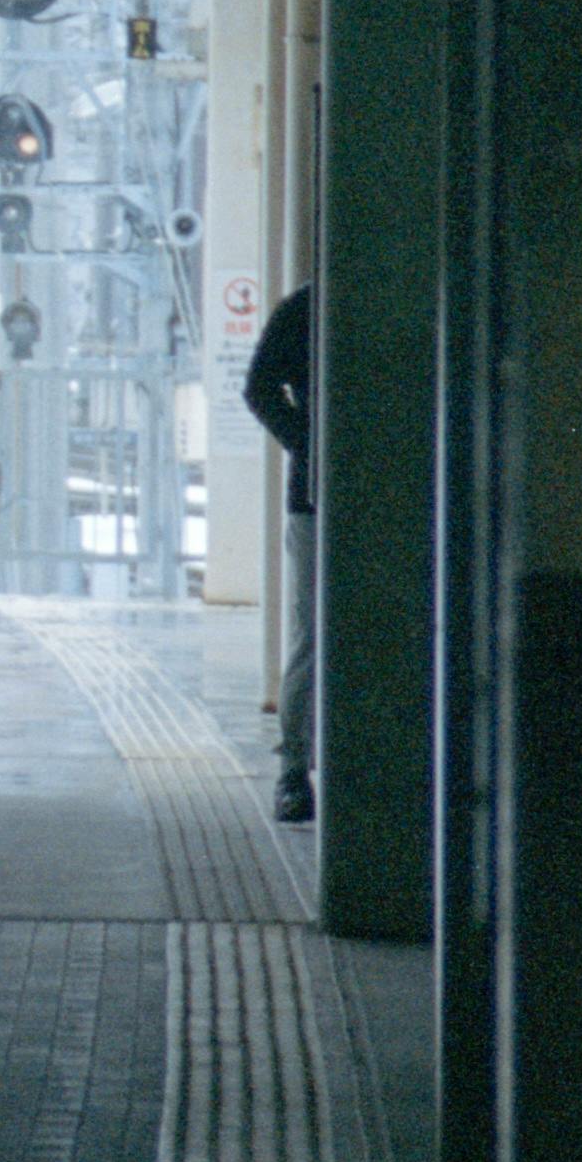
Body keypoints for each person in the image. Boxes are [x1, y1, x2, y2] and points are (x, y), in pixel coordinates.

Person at [245, 281, 318, 824]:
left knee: (309, 634)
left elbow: (259, 388)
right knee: (311, 634)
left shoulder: (303, 307)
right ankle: (294, 766)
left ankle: (295, 772)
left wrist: (304, 441)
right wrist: (311, 443)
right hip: (316, 497)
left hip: (312, 494)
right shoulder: (305, 309)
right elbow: (259, 387)